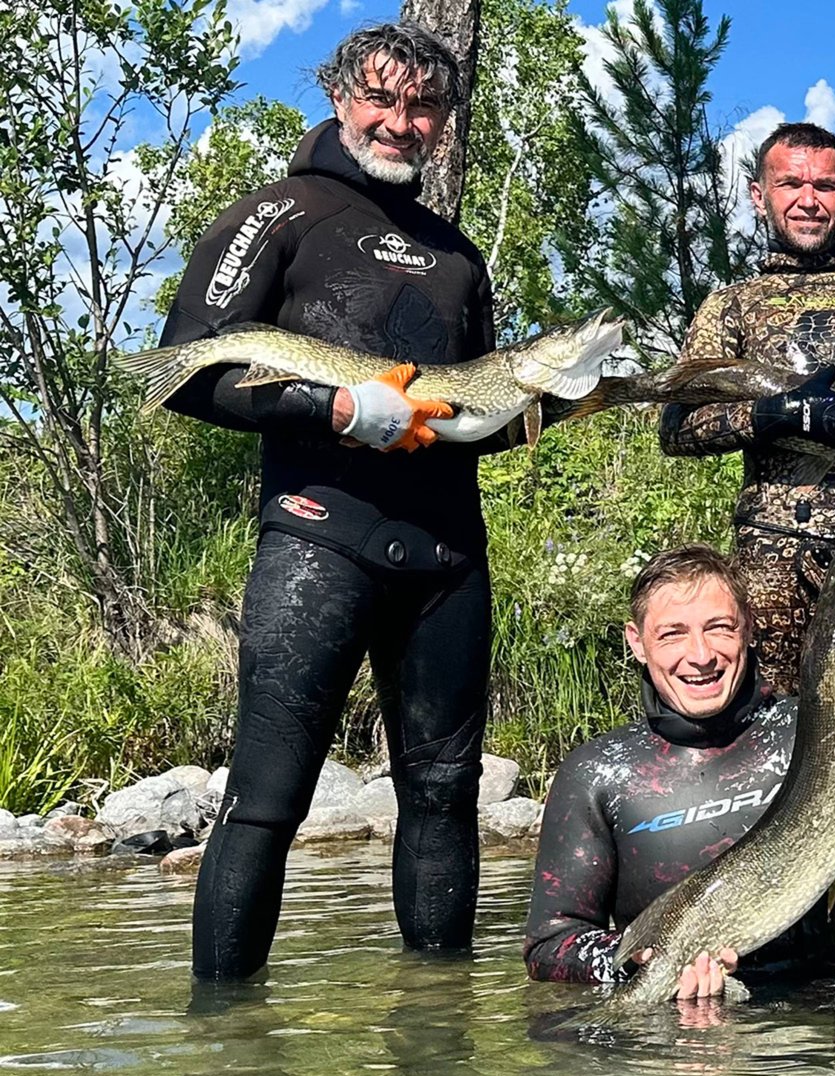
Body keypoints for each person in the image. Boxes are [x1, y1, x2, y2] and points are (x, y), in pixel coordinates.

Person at [161, 24, 504, 981]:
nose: (401, 122)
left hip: (447, 557)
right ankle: (222, 1036)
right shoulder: (281, 212)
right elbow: (185, 371)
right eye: (381, 99)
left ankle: (438, 1032)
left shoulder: (458, 255)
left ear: (444, 120)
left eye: (423, 106)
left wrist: (564, 399)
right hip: (319, 540)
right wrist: (336, 408)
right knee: (267, 801)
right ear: (342, 96)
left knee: (445, 797)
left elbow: (477, 414)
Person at [657, 122, 835, 912]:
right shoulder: (732, 307)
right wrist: (781, 415)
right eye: (791, 184)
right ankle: (792, 926)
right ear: (760, 195)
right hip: (773, 561)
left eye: (824, 185)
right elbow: (677, 427)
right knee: (779, 744)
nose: (808, 199)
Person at [523, 546, 834, 993]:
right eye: (673, 634)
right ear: (637, 642)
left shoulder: (814, 731)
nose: (701, 654)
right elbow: (549, 946)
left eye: (719, 628)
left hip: (816, 1004)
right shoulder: (598, 772)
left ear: (748, 627)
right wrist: (642, 963)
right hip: (666, 1020)